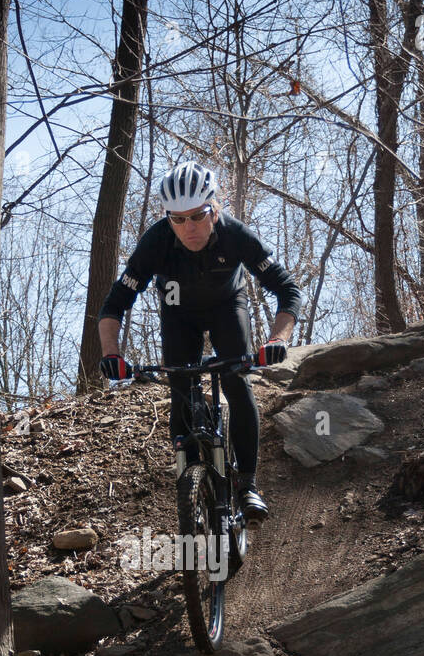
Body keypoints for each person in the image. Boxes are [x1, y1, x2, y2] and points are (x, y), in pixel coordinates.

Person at [97, 160, 302, 522]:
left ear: (215, 208)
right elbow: (115, 303)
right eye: (177, 219)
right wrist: (111, 354)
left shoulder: (236, 235)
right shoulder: (157, 241)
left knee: (238, 386)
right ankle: (191, 490)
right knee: (182, 393)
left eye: (197, 215)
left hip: (228, 306)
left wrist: (277, 338)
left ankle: (248, 484)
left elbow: (287, 289)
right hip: (179, 316)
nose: (188, 227)